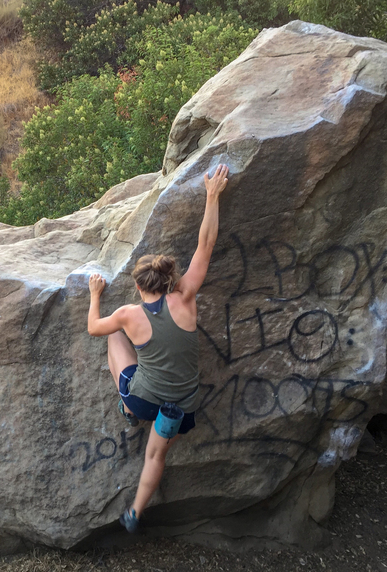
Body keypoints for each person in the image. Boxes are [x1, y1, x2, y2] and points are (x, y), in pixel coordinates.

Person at [86, 164, 229, 533]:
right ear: (169, 281)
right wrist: (211, 196)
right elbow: (206, 245)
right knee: (156, 455)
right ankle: (135, 512)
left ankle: (127, 407)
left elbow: (92, 328)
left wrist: (95, 295)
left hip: (144, 399)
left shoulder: (128, 314)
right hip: (180, 406)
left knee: (114, 338)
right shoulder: (185, 298)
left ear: (139, 286)